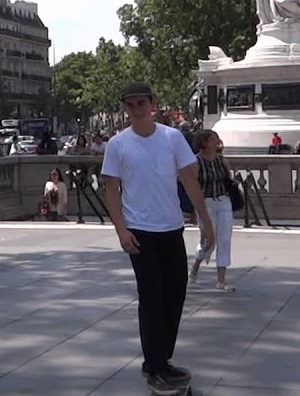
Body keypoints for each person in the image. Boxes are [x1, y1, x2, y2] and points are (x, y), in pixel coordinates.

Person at [102, 81, 212, 393]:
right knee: (151, 298)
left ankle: (161, 358)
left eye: (141, 103)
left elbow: (190, 181)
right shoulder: (118, 145)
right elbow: (111, 191)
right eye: (130, 105)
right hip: (139, 232)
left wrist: (206, 221)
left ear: (153, 103)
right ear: (126, 108)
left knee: (175, 293)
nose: (136, 110)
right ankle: (155, 365)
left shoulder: (173, 138)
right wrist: (122, 230)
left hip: (171, 228)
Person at [189, 130, 236, 292]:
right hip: (206, 203)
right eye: (213, 139)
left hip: (223, 200)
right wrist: (194, 210)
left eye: (217, 139)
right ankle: (196, 265)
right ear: (204, 142)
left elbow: (228, 181)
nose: (217, 142)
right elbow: (193, 186)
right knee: (209, 241)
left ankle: (221, 281)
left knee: (225, 238)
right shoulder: (196, 162)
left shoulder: (222, 161)